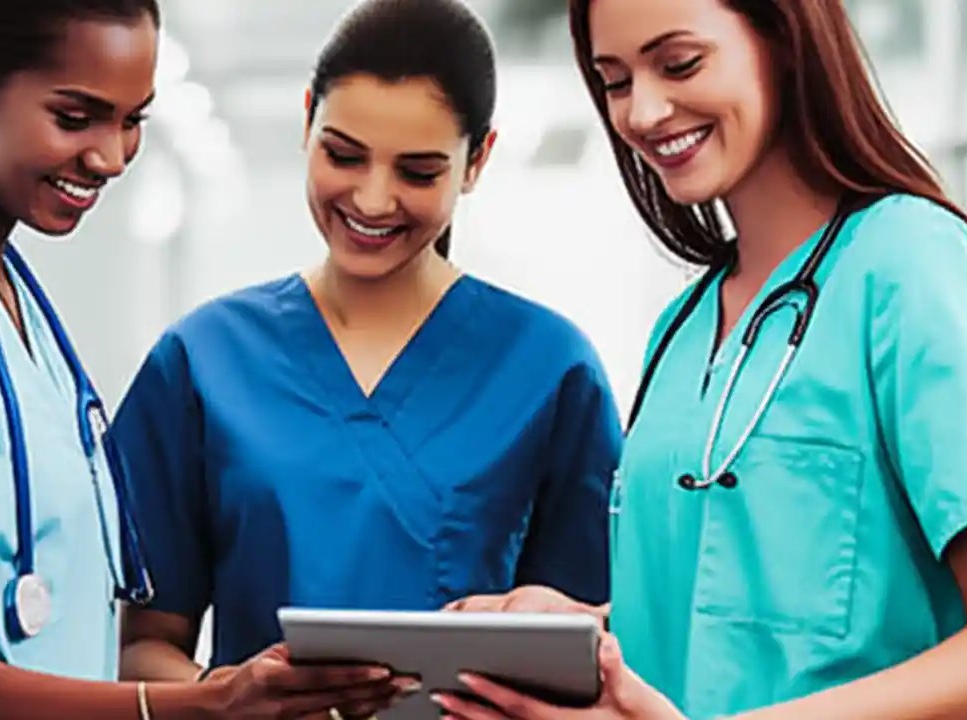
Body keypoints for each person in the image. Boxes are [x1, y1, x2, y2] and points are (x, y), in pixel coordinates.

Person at [0, 1, 405, 718]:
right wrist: (203, 707)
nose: (110, 157)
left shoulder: (4, 296)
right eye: (76, 117)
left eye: (132, 119)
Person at [436, 0, 967, 719]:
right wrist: (584, 626)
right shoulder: (683, 328)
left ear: (785, 42)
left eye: (679, 64)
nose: (643, 111)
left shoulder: (911, 265)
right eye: (615, 81)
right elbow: (740, 617)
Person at [112, 0, 621, 701]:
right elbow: (141, 647)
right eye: (344, 156)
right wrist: (237, 700)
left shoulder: (549, 369)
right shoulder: (202, 361)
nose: (373, 200)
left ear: (477, 162)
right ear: (306, 123)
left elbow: (590, 653)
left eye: (417, 172)